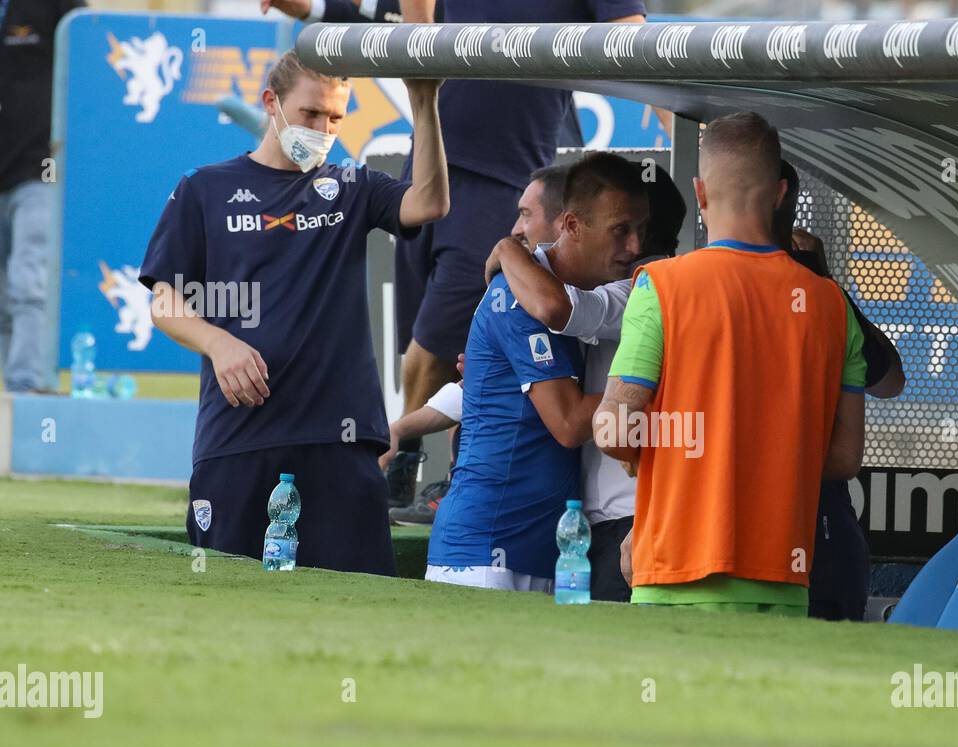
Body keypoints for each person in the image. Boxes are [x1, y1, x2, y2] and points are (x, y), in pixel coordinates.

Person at [140, 50, 450, 574]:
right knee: (224, 598)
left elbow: (430, 204)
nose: (323, 129)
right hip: (239, 435)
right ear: (271, 103)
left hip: (340, 437)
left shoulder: (352, 187)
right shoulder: (204, 187)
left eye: (335, 118)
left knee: (360, 599)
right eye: (310, 114)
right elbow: (165, 301)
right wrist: (219, 342)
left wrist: (424, 100)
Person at [597, 112, 868, 616]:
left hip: (674, 573)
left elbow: (616, 430)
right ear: (781, 192)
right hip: (783, 581)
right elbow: (844, 457)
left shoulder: (661, 286)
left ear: (700, 194)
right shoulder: (831, 305)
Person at [426, 153, 648, 592]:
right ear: (571, 226)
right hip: (487, 546)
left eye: (642, 231)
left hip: (547, 548)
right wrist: (661, 389)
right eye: (620, 230)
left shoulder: (582, 297)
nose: (636, 247)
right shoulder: (517, 294)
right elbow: (566, 424)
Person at [487, 164, 687, 600]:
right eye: (619, 228)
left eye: (631, 228)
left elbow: (555, 307)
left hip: (629, 522)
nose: (627, 242)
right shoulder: (644, 286)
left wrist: (509, 251)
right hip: (615, 522)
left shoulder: (645, 287)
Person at [381, 161, 571, 525]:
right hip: (500, 516)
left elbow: (569, 423)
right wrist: (399, 430)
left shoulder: (607, 294)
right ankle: (453, 482)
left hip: (550, 512)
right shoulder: (506, 287)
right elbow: (472, 388)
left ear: (566, 223)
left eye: (525, 216)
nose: (515, 230)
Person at [774, 161, 906, 621]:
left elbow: (890, 380)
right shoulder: (692, 284)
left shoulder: (816, 292)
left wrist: (826, 283)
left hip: (819, 528)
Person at [0, 0, 85, 394]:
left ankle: (25, 389)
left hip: (38, 167)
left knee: (28, 282)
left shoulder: (55, 3)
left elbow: (87, 51)